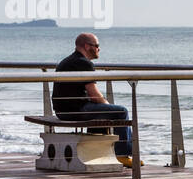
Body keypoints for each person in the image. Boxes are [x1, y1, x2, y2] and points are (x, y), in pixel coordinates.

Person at [52, 32, 138, 167]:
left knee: (103, 113)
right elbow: (94, 95)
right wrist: (107, 104)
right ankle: (123, 155)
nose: (99, 49)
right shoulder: (84, 63)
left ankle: (96, 154)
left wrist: (105, 106)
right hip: (77, 110)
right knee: (121, 112)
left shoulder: (67, 61)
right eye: (97, 45)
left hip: (62, 111)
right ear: (87, 46)